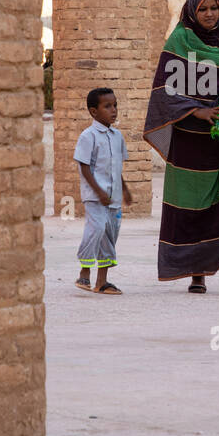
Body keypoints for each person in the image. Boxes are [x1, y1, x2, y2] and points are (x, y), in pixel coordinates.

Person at [143, 0, 219, 294]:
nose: (210, 14)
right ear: (192, 12)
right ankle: (197, 275)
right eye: (203, 9)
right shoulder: (180, 39)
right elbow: (163, 91)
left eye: (214, 8)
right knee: (194, 207)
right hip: (191, 141)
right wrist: (199, 111)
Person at [75, 87, 132, 294]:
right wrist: (98, 191)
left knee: (110, 236)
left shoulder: (117, 136)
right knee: (96, 230)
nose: (113, 110)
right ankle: (84, 273)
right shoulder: (87, 136)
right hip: (95, 197)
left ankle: (102, 282)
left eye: (115, 105)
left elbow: (117, 168)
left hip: (114, 198)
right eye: (107, 106)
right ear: (93, 111)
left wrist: (124, 190)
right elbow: (84, 166)